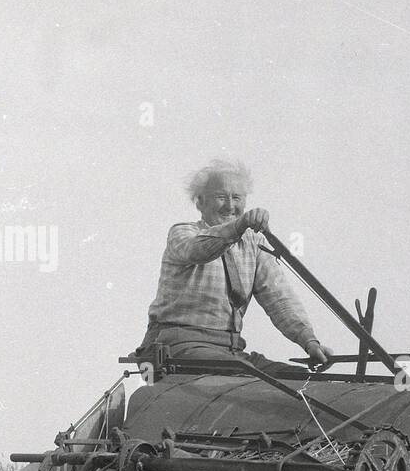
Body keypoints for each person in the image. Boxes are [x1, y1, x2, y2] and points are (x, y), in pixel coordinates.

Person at [139, 159, 333, 375]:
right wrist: (238, 226)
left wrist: (309, 341)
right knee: (248, 377)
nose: (230, 205)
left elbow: (279, 299)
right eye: (221, 197)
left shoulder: (255, 244)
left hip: (231, 351)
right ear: (200, 203)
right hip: (177, 346)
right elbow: (198, 250)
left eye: (237, 197)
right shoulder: (183, 233)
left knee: (301, 379)